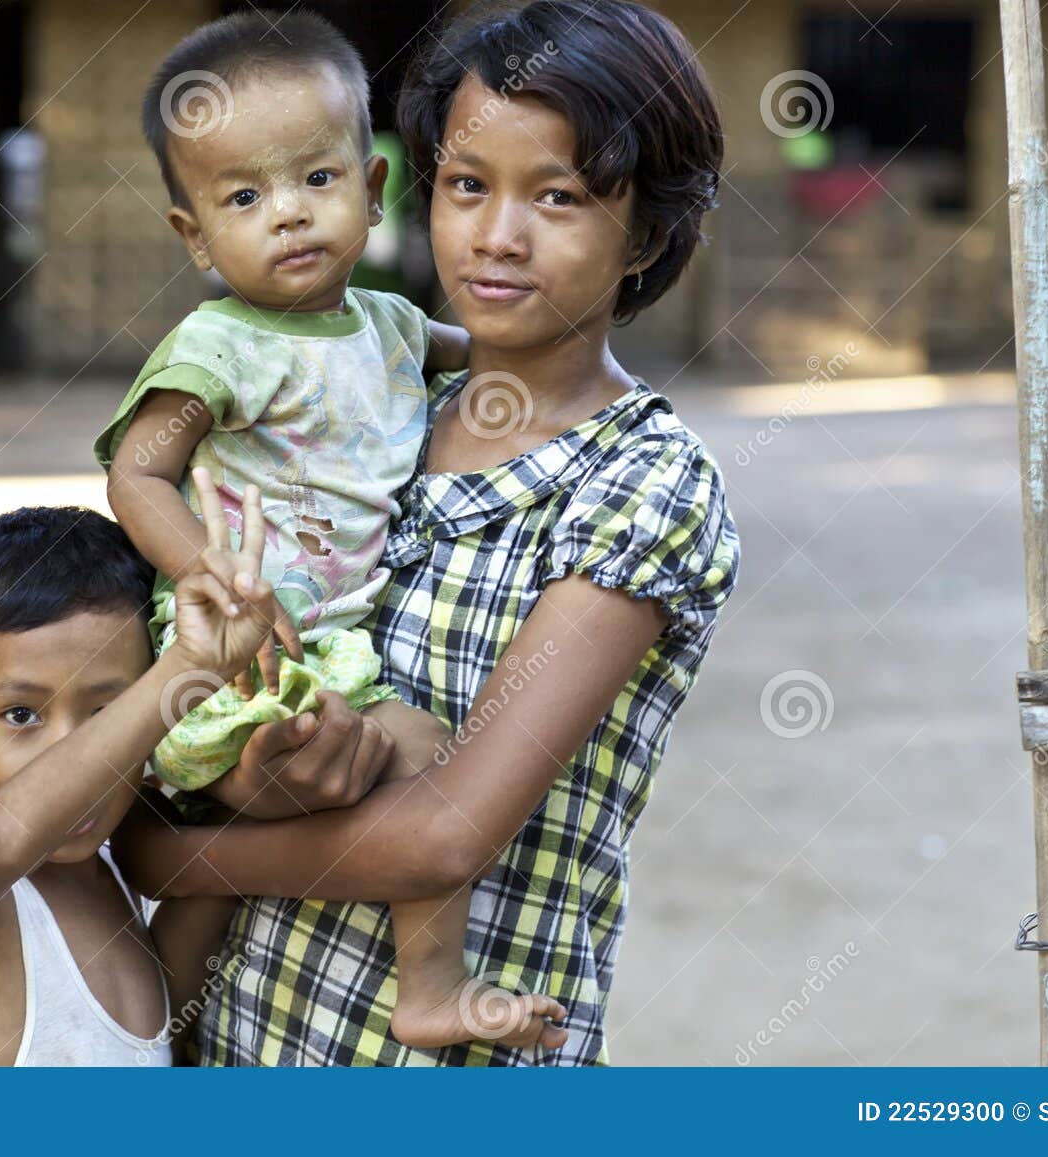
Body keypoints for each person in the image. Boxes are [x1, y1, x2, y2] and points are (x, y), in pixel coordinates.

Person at [114, 0, 742, 1066]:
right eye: (468, 185)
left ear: (644, 230)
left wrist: (170, 855)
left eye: (560, 195)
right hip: (239, 1039)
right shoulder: (377, 408)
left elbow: (447, 829)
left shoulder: (644, 482)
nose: (497, 235)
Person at [99, 10, 569, 1050]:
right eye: (242, 197)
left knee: (225, 868)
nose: (289, 216)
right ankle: (157, 1055)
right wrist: (204, 572)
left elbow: (505, 351)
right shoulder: (218, 343)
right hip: (227, 649)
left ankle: (400, 991)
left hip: (329, 652)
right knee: (396, 760)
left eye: (317, 180)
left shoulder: (397, 326)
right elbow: (136, 473)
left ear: (373, 186)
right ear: (194, 236)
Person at [0, 493, 294, 1066]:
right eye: (22, 715)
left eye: (107, 714)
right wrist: (186, 668)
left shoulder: (124, 872)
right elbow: (7, 837)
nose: (71, 752)